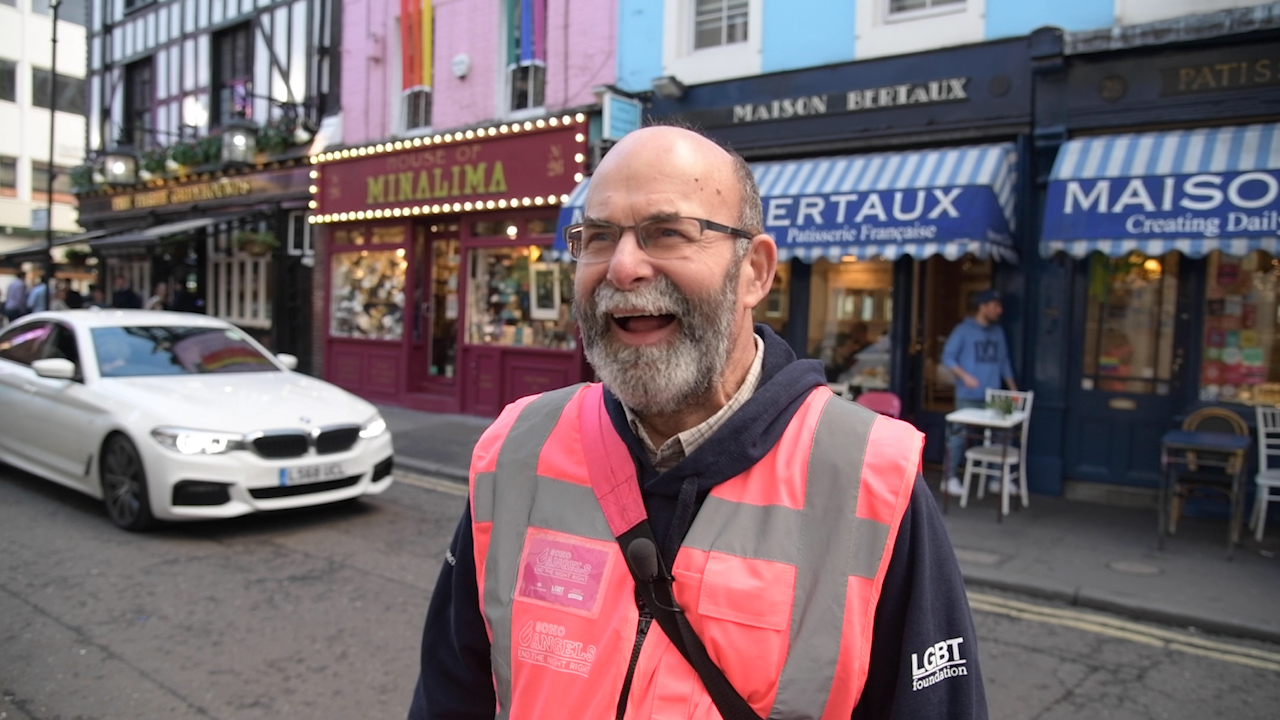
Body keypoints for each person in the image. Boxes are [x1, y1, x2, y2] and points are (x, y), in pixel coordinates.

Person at [408, 126, 987, 719]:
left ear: (754, 273)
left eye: (668, 232)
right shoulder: (515, 449)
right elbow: (451, 693)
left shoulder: (870, 479)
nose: (624, 267)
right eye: (600, 237)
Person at [941, 289, 1018, 497]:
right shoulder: (962, 330)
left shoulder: (998, 332)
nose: (999, 310)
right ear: (982, 306)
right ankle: (949, 478)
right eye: (995, 306)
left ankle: (997, 479)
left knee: (1004, 435)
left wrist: (1013, 391)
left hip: (996, 395)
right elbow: (948, 358)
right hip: (968, 393)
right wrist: (965, 377)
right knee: (958, 435)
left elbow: (1004, 363)